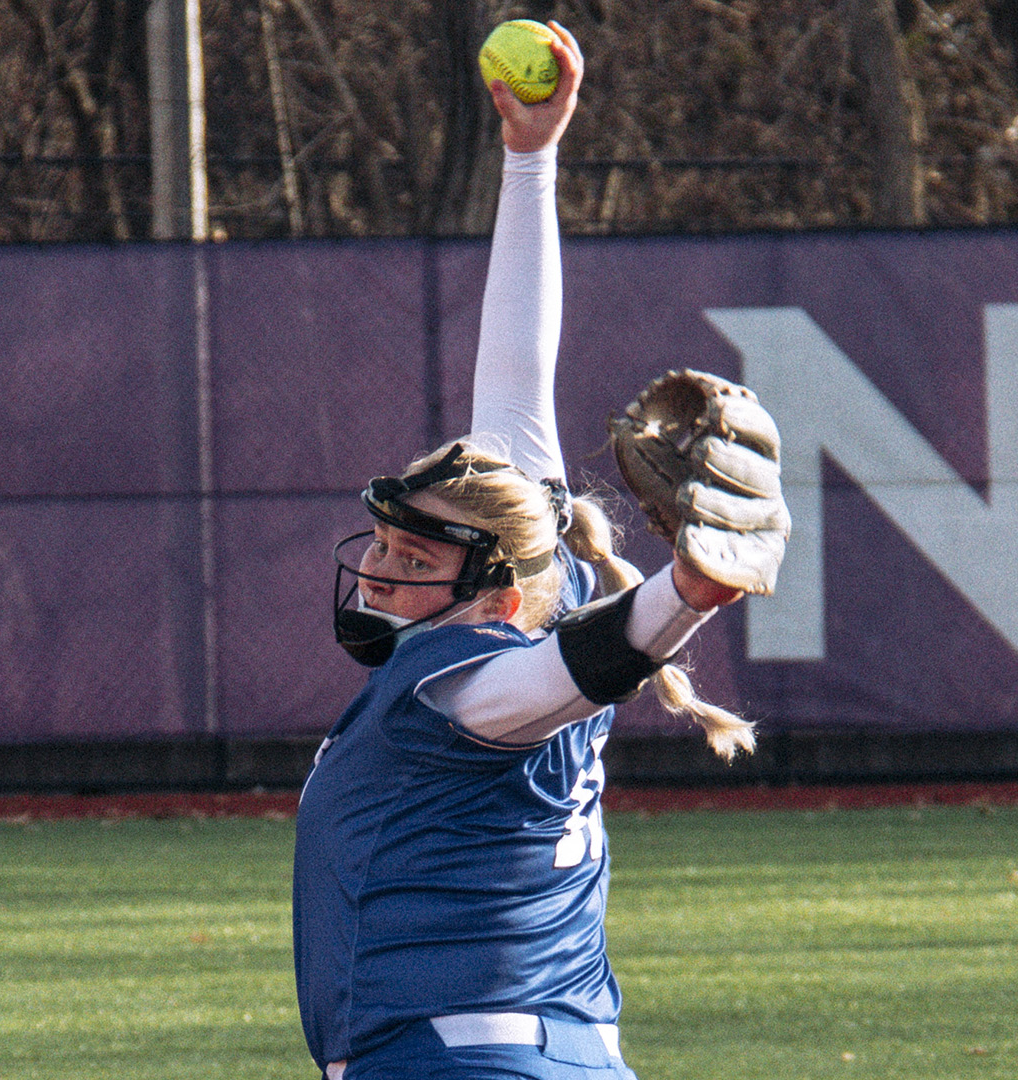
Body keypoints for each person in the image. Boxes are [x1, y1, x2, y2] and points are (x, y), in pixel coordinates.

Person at [293, 23, 777, 1080]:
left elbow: (554, 677)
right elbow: (514, 374)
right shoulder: (524, 602)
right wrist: (531, 157)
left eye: (413, 562)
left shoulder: (457, 683)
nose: (378, 571)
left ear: (499, 599)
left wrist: (683, 595)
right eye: (382, 542)